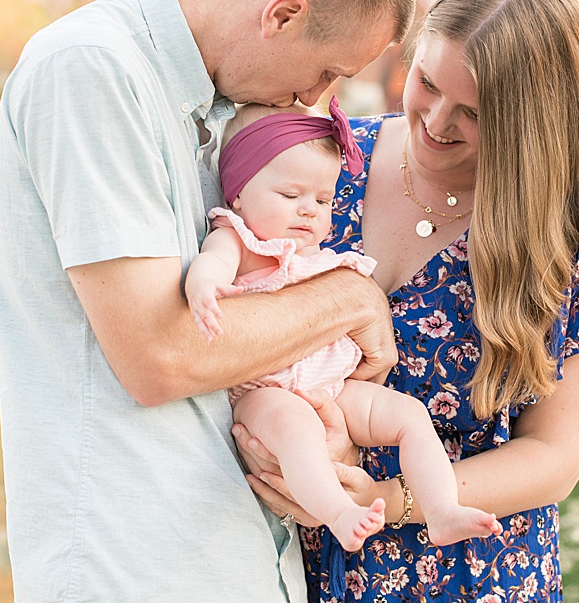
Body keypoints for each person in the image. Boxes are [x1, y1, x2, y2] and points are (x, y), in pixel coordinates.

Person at [0, 0, 416, 601]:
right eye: (329, 73)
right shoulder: (92, 71)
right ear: (282, 14)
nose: (317, 101)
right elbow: (160, 353)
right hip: (131, 574)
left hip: (231, 568)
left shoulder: (221, 113)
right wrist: (349, 295)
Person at [235, 0, 579, 602]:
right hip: (292, 572)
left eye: (474, 114)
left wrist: (389, 499)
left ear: (528, 128)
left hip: (469, 578)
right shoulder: (323, 165)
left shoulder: (574, 234)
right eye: (426, 82)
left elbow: (555, 460)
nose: (435, 120)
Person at [185, 97, 504, 554]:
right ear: (237, 191)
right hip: (265, 390)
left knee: (409, 416)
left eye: (322, 199)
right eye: (291, 196)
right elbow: (213, 263)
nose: (309, 211)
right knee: (298, 431)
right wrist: (204, 287)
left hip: (331, 385)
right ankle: (338, 512)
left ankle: (441, 509)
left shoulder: (318, 251)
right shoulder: (239, 237)